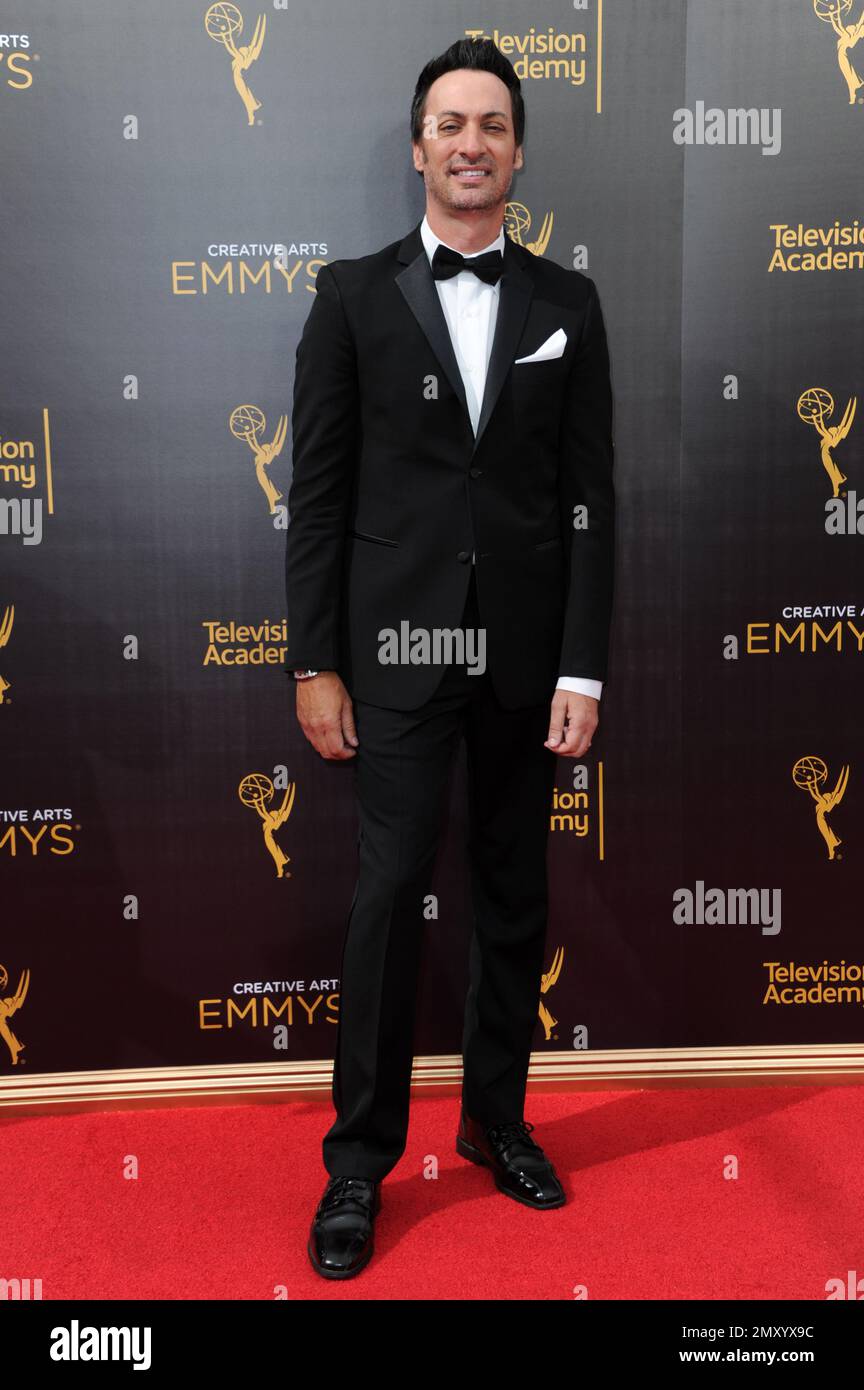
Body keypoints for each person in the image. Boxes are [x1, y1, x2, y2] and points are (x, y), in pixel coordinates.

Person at [284, 35, 615, 1280]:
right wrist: (315, 658)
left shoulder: (567, 305)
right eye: (448, 123)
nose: (470, 142)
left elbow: (593, 499)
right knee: (383, 901)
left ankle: (495, 1122)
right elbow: (316, 498)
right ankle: (358, 1168)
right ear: (418, 147)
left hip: (528, 663)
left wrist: (582, 669)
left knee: (513, 897)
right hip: (397, 653)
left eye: (491, 123)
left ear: (518, 151)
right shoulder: (350, 298)